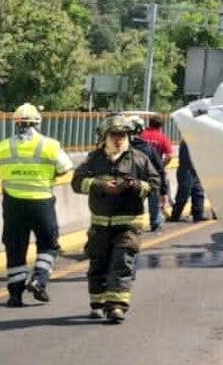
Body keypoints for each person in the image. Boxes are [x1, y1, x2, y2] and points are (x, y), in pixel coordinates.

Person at [72, 114, 161, 323]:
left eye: (122, 135)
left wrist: (135, 186)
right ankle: (97, 304)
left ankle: (117, 306)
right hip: (100, 225)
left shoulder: (139, 159)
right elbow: (77, 183)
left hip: (128, 225)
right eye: (114, 135)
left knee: (122, 264)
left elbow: (155, 184)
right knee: (98, 265)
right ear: (105, 136)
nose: (119, 139)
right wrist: (101, 186)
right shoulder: (94, 159)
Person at [0, 103, 74, 307]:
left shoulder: (3, 146)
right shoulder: (50, 145)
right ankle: (39, 279)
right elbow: (66, 167)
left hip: (13, 203)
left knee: (15, 248)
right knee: (48, 244)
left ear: (15, 123)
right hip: (41, 202)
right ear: (38, 122)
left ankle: (15, 295)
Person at [138, 115, 174, 230]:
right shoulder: (162, 138)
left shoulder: (141, 136)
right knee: (154, 198)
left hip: (140, 170)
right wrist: (162, 166)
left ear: (149, 123)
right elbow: (169, 156)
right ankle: (155, 222)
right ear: (161, 125)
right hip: (155, 172)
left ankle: (134, 221)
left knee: (138, 197)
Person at [169, 141, 206, 222]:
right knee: (184, 193)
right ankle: (175, 214)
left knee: (198, 191)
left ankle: (198, 214)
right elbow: (188, 159)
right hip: (187, 170)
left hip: (194, 169)